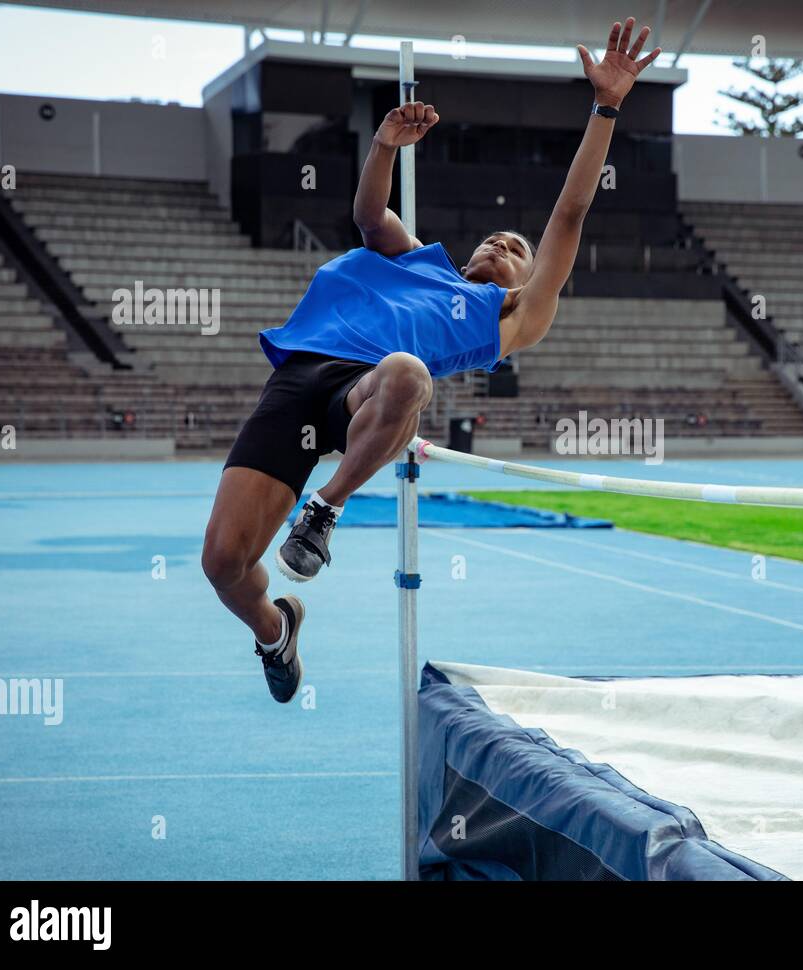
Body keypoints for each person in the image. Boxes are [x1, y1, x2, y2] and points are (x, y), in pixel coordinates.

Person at [201, 19, 661, 703]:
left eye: (516, 246)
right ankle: (276, 631)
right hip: (299, 377)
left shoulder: (510, 317)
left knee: (410, 374)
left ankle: (324, 514)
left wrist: (606, 107)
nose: (503, 239)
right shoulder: (418, 260)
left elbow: (570, 211)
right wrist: (384, 143)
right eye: (495, 235)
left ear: (523, 280)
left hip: (368, 391)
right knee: (223, 563)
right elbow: (367, 214)